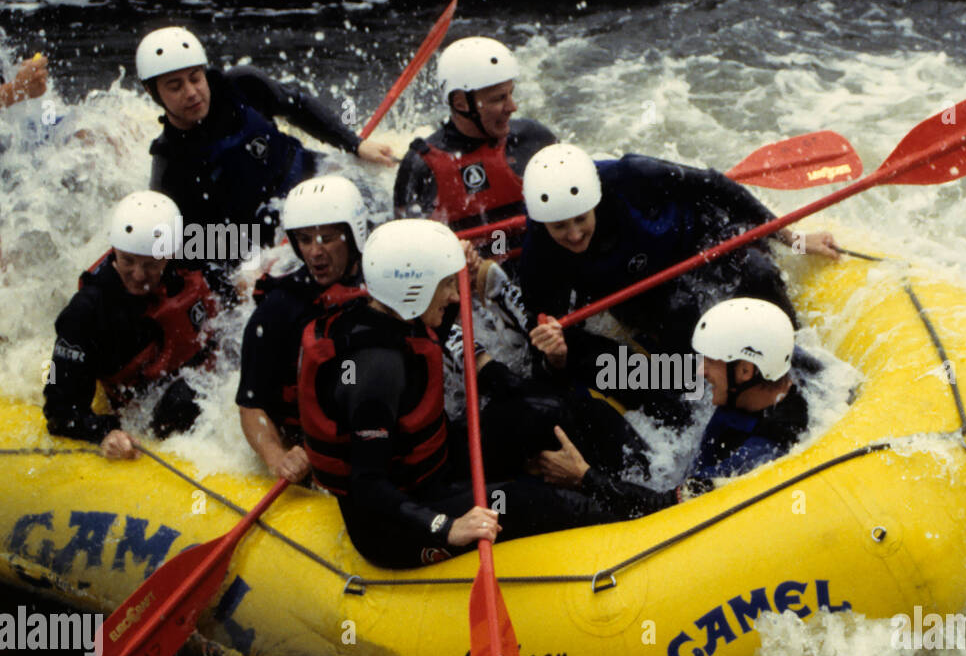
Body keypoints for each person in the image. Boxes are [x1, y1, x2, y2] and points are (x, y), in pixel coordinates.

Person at [296, 219, 600, 569]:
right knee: (539, 501)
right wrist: (448, 527)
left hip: (435, 466)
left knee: (542, 411)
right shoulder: (375, 372)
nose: (456, 295)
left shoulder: (394, 314)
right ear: (414, 288)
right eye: (445, 285)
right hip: (397, 524)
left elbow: (442, 325)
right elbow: (367, 486)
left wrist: (465, 265)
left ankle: (620, 484)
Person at [517, 144, 837, 420]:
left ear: (595, 202)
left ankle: (800, 356)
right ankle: (729, 404)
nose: (573, 234)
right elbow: (547, 339)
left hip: (701, 239)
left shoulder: (632, 176)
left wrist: (793, 239)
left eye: (581, 219)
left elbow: (714, 185)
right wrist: (555, 355)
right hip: (643, 290)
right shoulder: (537, 255)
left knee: (759, 274)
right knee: (681, 316)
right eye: (559, 227)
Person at [136, 26, 395, 293]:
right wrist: (241, 272)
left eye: (195, 78)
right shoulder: (170, 171)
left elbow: (299, 106)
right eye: (175, 86)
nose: (191, 92)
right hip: (274, 237)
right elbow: (194, 246)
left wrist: (355, 144)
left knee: (384, 216)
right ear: (152, 92)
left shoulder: (242, 84)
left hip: (315, 174)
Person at [530, 299, 809, 519]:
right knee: (607, 380)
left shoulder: (753, 461)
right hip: (686, 438)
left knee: (588, 419)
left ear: (746, 371)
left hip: (671, 502)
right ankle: (555, 358)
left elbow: (668, 508)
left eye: (710, 362)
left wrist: (584, 478)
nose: (700, 371)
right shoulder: (777, 368)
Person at [44, 191, 217, 459]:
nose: (138, 275)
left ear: (170, 254)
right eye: (127, 261)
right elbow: (59, 411)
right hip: (153, 404)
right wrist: (103, 432)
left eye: (150, 265)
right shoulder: (85, 313)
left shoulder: (195, 259)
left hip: (207, 373)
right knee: (181, 403)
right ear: (114, 251)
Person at [237, 175, 368, 482]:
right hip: (308, 442)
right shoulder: (278, 309)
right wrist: (278, 458)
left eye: (327, 238)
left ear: (354, 235)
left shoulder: (385, 286)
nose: (315, 252)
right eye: (305, 240)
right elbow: (250, 405)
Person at [392, 36, 554, 254]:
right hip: (469, 281)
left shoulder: (532, 139)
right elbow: (408, 249)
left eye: (510, 94)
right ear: (460, 102)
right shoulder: (420, 165)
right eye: (498, 99)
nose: (512, 107)